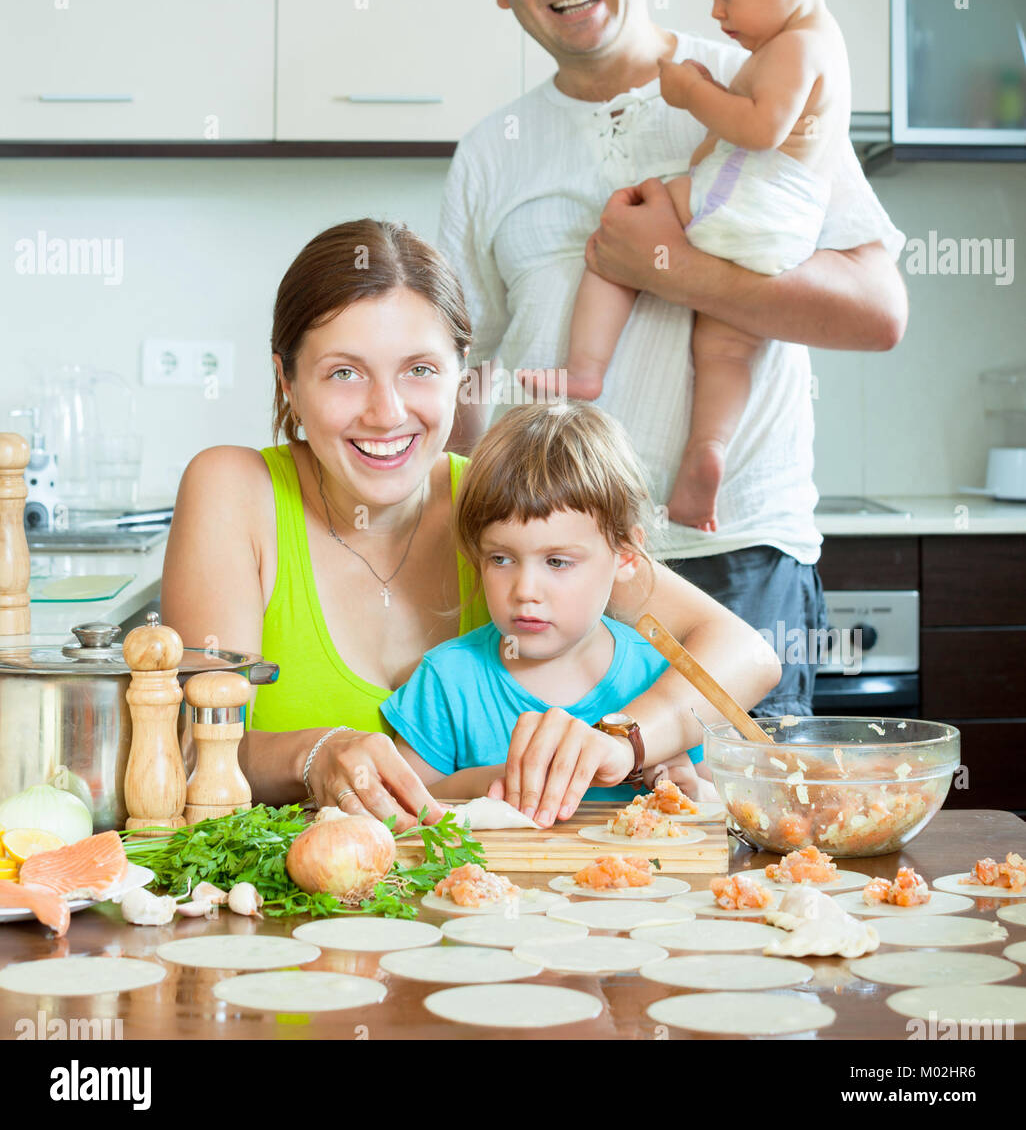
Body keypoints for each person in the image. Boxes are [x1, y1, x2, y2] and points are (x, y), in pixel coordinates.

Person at [442, 0, 908, 718]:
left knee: (746, 842)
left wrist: (669, 266)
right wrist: (462, 547)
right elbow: (464, 375)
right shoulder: (490, 152)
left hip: (734, 554)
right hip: (554, 574)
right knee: (558, 831)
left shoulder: (759, 77)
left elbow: (879, 312)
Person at [161, 218, 779, 831]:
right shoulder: (236, 491)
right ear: (287, 382)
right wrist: (313, 753)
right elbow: (190, 749)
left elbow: (745, 654)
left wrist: (626, 741)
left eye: (420, 370)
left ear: (462, 371)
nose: (387, 412)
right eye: (344, 373)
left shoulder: (502, 502)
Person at [556, 0, 848, 533]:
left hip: (746, 199)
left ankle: (583, 370)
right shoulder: (820, 47)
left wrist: (691, 93)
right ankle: (706, 452)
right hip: (784, 233)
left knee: (624, 223)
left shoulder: (794, 47)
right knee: (725, 347)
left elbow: (762, 127)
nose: (716, 13)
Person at [384, 402, 717, 803]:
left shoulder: (661, 676)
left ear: (626, 556)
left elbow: (717, 805)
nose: (525, 589)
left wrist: (692, 791)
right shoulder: (447, 680)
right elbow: (406, 806)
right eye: (501, 558)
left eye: (557, 562)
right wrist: (505, 780)